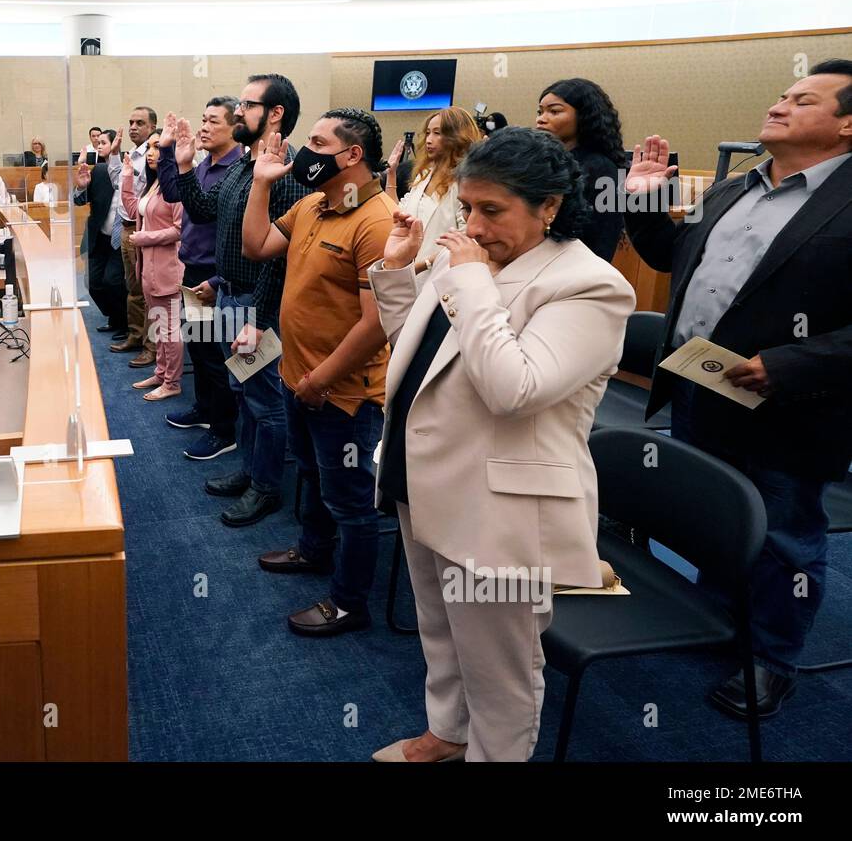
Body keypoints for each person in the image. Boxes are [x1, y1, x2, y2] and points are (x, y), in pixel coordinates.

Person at [367, 127, 634, 762]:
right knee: (440, 628)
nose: (475, 225)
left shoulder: (588, 284)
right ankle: (448, 734)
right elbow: (424, 352)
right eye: (467, 208)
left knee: (500, 666)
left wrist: (470, 281)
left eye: (493, 210)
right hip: (427, 475)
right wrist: (401, 269)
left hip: (503, 504)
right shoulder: (472, 260)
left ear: (548, 207)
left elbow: (514, 388)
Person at [620, 59, 852, 721]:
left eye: (802, 99)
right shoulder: (732, 190)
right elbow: (670, 257)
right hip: (701, 387)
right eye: (781, 95)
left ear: (846, 123)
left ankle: (771, 658)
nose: (779, 105)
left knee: (783, 535)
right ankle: (721, 620)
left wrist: (792, 362)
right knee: (713, 514)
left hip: (793, 407)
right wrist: (642, 197)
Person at [242, 109, 395, 636]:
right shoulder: (313, 203)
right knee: (312, 474)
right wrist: (261, 185)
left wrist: (321, 380)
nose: (303, 152)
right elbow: (256, 247)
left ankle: (350, 603)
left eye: (316, 142)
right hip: (297, 374)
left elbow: (377, 324)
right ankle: (312, 550)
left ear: (352, 155)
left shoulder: (377, 221)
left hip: (344, 391)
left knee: (351, 502)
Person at [162, 74, 312, 527]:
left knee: (265, 401)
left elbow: (276, 259)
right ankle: (249, 470)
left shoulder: (282, 173)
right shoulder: (247, 166)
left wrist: (262, 320)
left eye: (248, 105)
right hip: (231, 296)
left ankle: (265, 487)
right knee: (243, 392)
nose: (239, 111)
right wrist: (185, 167)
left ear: (276, 114)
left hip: (256, 306)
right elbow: (208, 213)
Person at [158, 98, 243, 461]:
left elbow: (236, 236)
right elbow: (173, 192)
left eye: (212, 122)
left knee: (217, 357)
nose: (203, 127)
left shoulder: (237, 169)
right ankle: (204, 409)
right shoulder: (205, 163)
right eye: (203, 120)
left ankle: (224, 431)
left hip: (216, 275)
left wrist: (220, 279)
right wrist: (167, 151)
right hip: (193, 269)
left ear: (234, 128)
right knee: (198, 345)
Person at [120, 131, 184, 401]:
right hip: (148, 266)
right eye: (149, 147)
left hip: (167, 267)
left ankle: (172, 382)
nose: (151, 152)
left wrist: (145, 238)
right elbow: (136, 212)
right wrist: (125, 177)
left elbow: (180, 229)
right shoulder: (155, 184)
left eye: (158, 147)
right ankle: (160, 373)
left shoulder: (176, 185)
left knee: (169, 329)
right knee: (158, 324)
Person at [535, 78, 627, 261]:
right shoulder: (551, 162)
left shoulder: (600, 168)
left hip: (575, 271)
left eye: (554, 111)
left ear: (584, 116)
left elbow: (599, 239)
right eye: (540, 111)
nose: (541, 119)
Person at [385, 107, 480, 268]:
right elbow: (396, 213)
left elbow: (468, 241)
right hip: (408, 272)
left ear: (457, 136)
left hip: (442, 276)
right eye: (428, 133)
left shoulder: (465, 182)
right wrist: (391, 174)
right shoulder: (424, 175)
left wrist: (423, 265)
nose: (429, 139)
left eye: (437, 133)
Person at [107, 106, 159, 370]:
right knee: (134, 290)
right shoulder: (133, 155)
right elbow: (118, 182)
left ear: (152, 127)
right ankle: (136, 336)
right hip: (128, 227)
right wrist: (115, 156)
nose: (133, 127)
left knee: (151, 293)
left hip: (147, 229)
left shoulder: (154, 155)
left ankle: (152, 347)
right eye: (130, 122)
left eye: (140, 122)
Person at [74, 128, 128, 337]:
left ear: (116, 146)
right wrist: (80, 187)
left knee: (113, 281)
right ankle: (113, 316)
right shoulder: (97, 171)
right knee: (94, 284)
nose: (98, 146)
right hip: (100, 237)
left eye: (104, 142)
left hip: (122, 238)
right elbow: (79, 200)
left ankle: (124, 323)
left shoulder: (129, 170)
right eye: (98, 143)